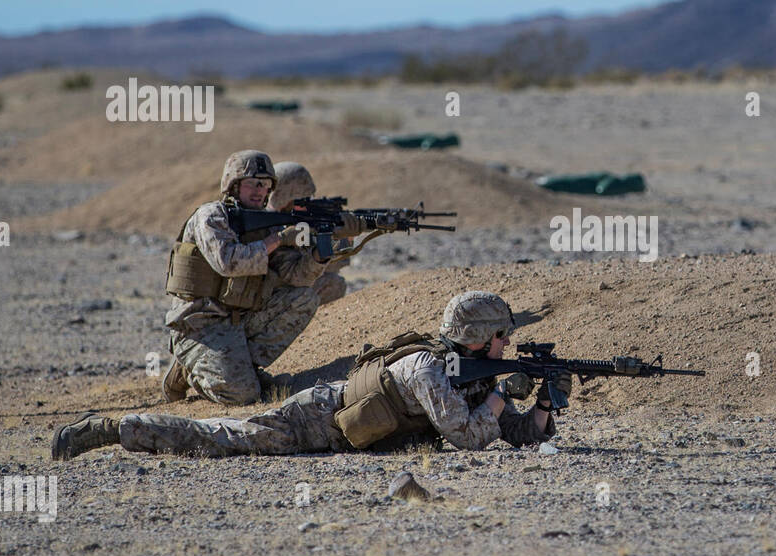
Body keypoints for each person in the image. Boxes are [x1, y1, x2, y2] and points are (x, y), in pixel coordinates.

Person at [52, 291, 571, 460]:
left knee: (227, 440)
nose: (509, 343)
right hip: (315, 418)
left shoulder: (469, 372)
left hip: (350, 434)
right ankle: (114, 428)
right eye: (502, 334)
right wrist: (502, 396)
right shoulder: (428, 368)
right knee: (224, 439)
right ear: (479, 337)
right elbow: (468, 437)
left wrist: (543, 407)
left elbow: (512, 434)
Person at [161, 150, 344, 406]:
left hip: (238, 320)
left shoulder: (266, 225)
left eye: (266, 185)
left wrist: (320, 254)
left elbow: (295, 276)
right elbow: (228, 262)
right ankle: (189, 370)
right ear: (233, 186)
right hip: (200, 324)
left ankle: (242, 369)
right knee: (244, 397)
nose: (260, 190)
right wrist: (277, 239)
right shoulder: (211, 217)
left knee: (303, 298)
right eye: (253, 184)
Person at [268, 161, 350, 307]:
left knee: (333, 280)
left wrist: (345, 238)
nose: (307, 206)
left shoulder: (297, 223)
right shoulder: (273, 228)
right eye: (302, 201)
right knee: (333, 284)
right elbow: (295, 276)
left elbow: (334, 265)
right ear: (283, 200)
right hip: (271, 297)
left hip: (283, 288)